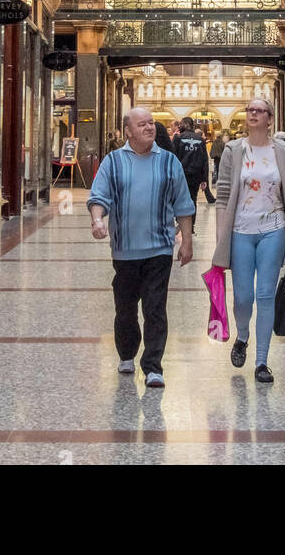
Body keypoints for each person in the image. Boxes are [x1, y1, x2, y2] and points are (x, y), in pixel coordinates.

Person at [87, 106, 195, 388]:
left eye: (151, 123)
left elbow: (183, 205)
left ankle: (153, 366)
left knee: (155, 308)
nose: (149, 128)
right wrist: (97, 219)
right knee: (125, 308)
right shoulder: (113, 161)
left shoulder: (169, 162)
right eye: (142, 124)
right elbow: (99, 195)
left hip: (159, 248)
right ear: (128, 131)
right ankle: (126, 354)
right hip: (124, 250)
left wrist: (187, 242)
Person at [212, 97, 285, 385]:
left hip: (274, 229)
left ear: (270, 118)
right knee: (243, 297)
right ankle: (242, 335)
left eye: (259, 110)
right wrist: (220, 239)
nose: (253, 113)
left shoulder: (282, 151)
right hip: (240, 231)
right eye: (250, 110)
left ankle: (262, 361)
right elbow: (223, 196)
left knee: (264, 295)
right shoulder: (233, 150)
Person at [174, 117, 211, 228]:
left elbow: (173, 157)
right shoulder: (200, 140)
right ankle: (191, 226)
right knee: (193, 199)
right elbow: (205, 160)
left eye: (181, 124)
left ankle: (180, 223)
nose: (179, 126)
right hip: (195, 174)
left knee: (179, 198)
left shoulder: (178, 138)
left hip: (181, 174)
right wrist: (204, 178)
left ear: (185, 124)